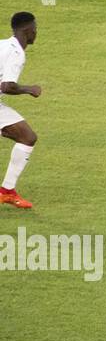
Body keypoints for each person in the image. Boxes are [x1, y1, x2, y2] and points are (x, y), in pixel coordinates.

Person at [0, 12, 41, 209]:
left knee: (27, 137)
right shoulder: (16, 52)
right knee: (27, 137)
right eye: (35, 28)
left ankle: (7, 192)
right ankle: (7, 191)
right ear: (27, 30)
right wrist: (29, 89)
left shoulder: (3, 44)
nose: (36, 33)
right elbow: (7, 86)